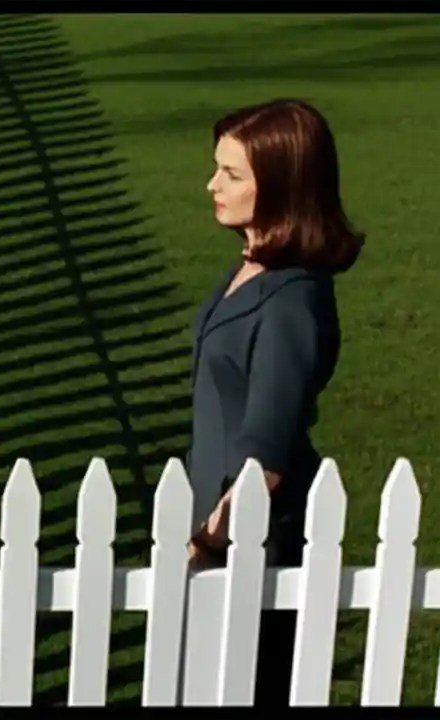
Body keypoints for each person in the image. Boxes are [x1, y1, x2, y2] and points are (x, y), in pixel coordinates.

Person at [183, 98, 364, 704]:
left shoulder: (292, 304)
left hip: (255, 547)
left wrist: (206, 543)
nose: (212, 185)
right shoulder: (253, 267)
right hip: (223, 538)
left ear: (283, 186)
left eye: (232, 175)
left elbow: (269, 451)